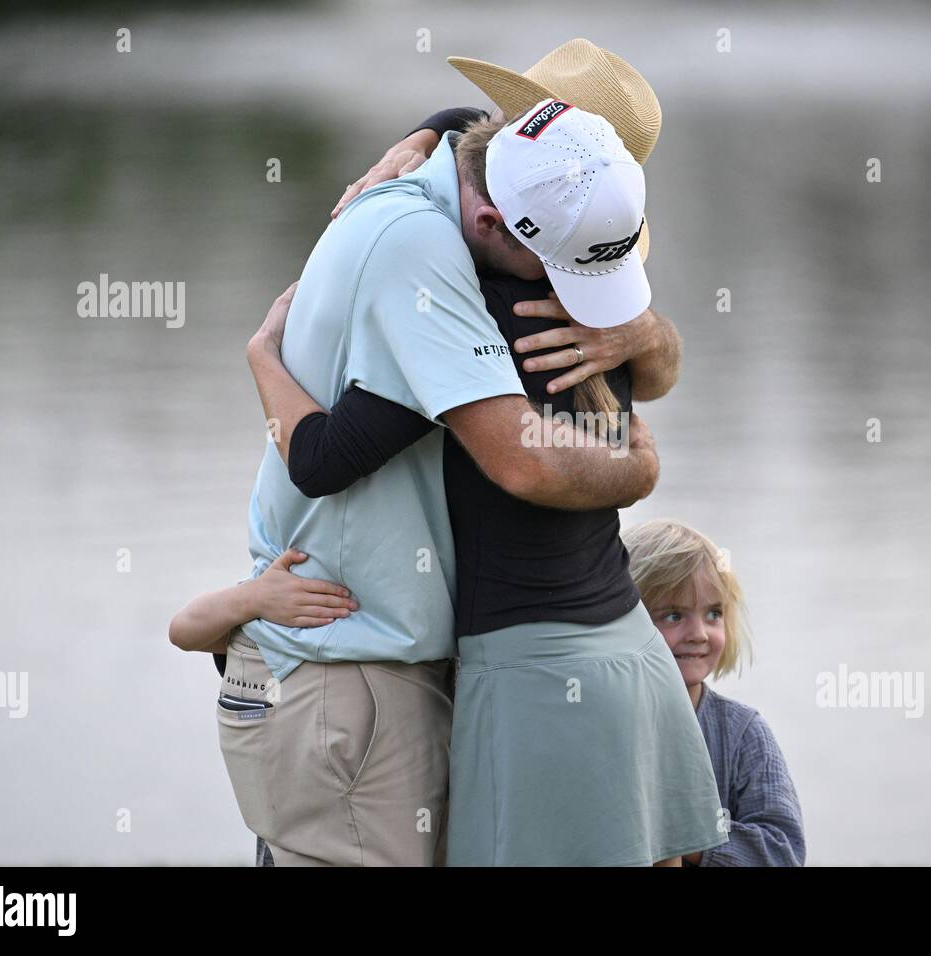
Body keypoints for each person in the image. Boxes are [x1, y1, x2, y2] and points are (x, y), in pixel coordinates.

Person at [172, 91, 664, 866]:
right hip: (343, 670)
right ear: (489, 224)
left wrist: (426, 131)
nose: (565, 297)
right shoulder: (423, 256)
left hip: (353, 669)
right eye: (554, 269)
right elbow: (516, 460)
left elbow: (468, 115)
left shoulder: (449, 190)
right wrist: (639, 469)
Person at [622, 519, 808, 867]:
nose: (699, 634)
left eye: (713, 614)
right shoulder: (603, 726)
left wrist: (685, 836)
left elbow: (782, 851)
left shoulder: (742, 733)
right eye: (673, 615)